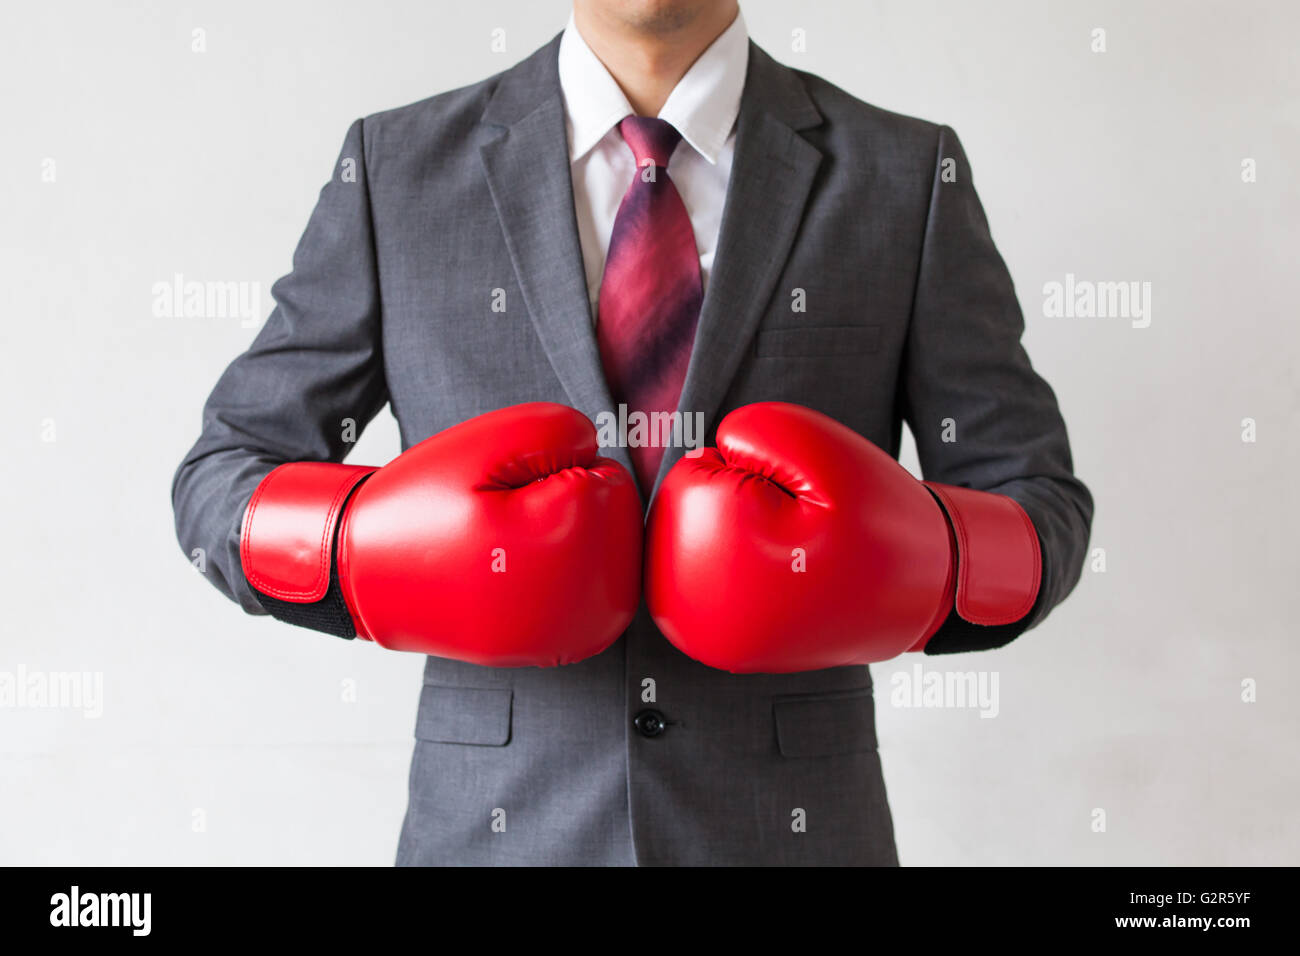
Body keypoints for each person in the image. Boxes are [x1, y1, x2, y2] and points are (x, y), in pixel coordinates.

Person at [173, 0, 1092, 865]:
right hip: (496, 836)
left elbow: (1038, 504)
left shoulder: (902, 174)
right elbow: (225, 473)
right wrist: (372, 553)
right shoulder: (397, 168)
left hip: (794, 839)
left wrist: (898, 565)